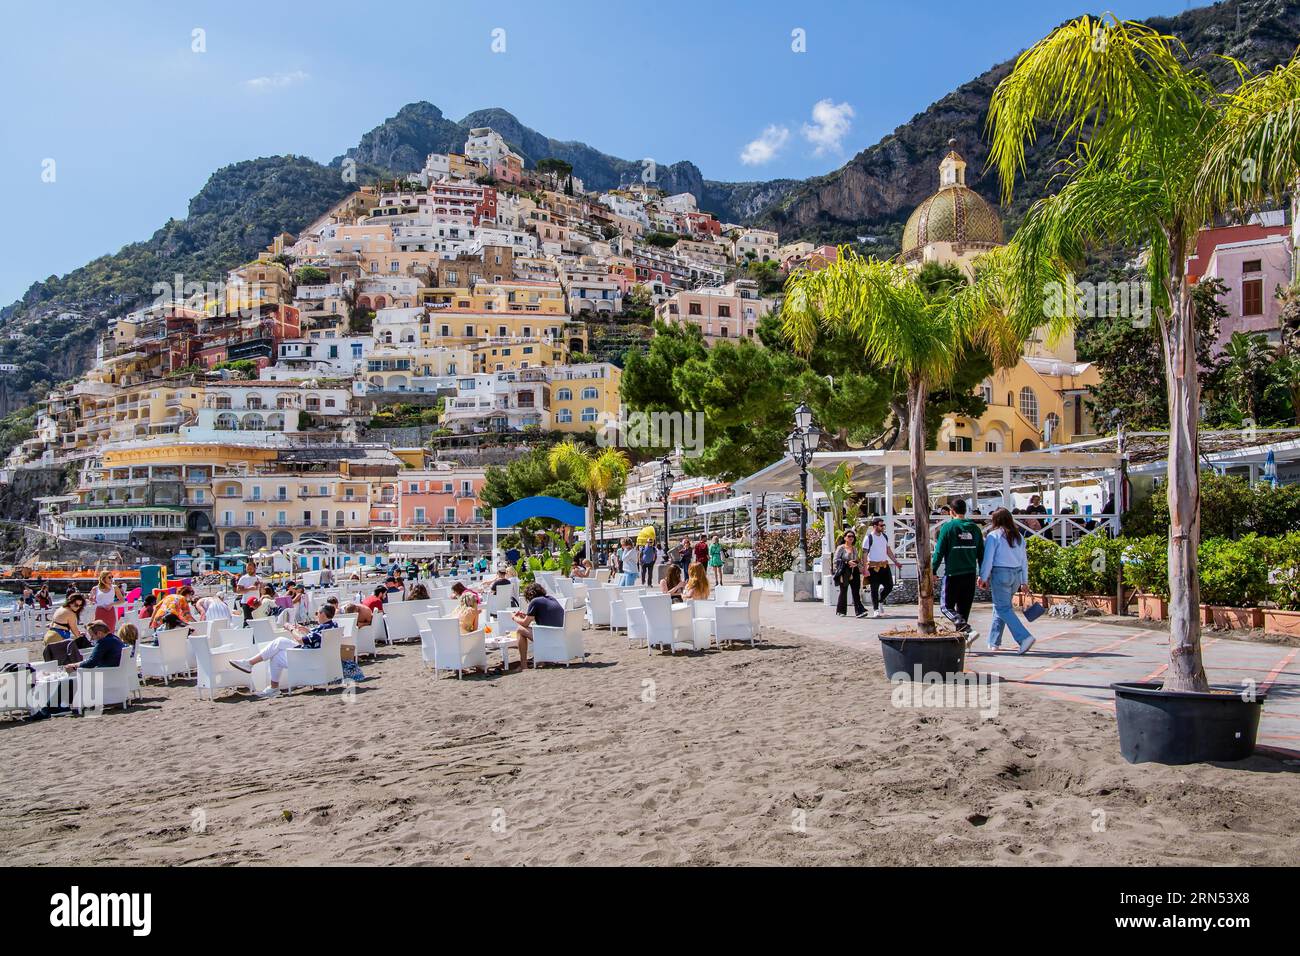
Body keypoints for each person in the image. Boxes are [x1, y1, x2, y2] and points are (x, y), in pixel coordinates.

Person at [229, 603, 339, 697]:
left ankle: (267, 682)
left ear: (323, 614)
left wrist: (290, 628)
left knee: (276, 653)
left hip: (308, 659)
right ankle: (251, 665)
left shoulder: (322, 628)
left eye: (317, 613)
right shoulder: (333, 626)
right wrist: (308, 630)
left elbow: (301, 640)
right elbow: (318, 639)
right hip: (318, 657)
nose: (316, 615)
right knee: (279, 642)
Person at [979, 508, 1034, 653]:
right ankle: (994, 641)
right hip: (1016, 575)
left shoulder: (994, 536)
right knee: (1000, 608)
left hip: (1000, 574)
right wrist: (1024, 581)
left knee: (1002, 608)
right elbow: (1024, 561)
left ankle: (1024, 637)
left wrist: (983, 576)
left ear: (996, 520)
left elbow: (988, 559)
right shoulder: (1019, 537)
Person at [931, 499, 984, 645]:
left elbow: (939, 551)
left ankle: (966, 629)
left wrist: (932, 570)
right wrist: (983, 575)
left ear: (951, 512)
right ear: (965, 510)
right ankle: (964, 639)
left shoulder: (948, 527)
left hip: (953, 574)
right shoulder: (975, 528)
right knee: (963, 610)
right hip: (970, 574)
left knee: (945, 607)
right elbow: (981, 553)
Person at [509, 582, 564, 668]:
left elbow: (524, 623)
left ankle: (523, 664)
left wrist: (514, 617)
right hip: (560, 636)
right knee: (526, 628)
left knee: (520, 630)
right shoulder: (551, 598)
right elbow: (548, 617)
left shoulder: (535, 601)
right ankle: (543, 659)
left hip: (549, 638)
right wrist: (526, 616)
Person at [862, 518, 903, 617]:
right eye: (881, 525)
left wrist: (896, 562)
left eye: (883, 525)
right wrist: (865, 568)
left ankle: (881, 601)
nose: (883, 527)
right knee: (874, 588)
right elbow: (864, 554)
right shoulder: (869, 538)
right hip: (873, 566)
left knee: (889, 586)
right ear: (875, 526)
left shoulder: (884, 536)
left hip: (884, 565)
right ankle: (875, 609)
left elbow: (888, 551)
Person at [833, 530, 868, 618]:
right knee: (843, 591)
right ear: (845, 538)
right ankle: (841, 611)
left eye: (852, 536)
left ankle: (859, 611)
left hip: (854, 570)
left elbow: (858, 560)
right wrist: (847, 562)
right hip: (844, 571)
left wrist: (863, 569)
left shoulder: (854, 548)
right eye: (849, 536)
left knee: (856, 591)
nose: (851, 538)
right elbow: (836, 560)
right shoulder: (841, 548)